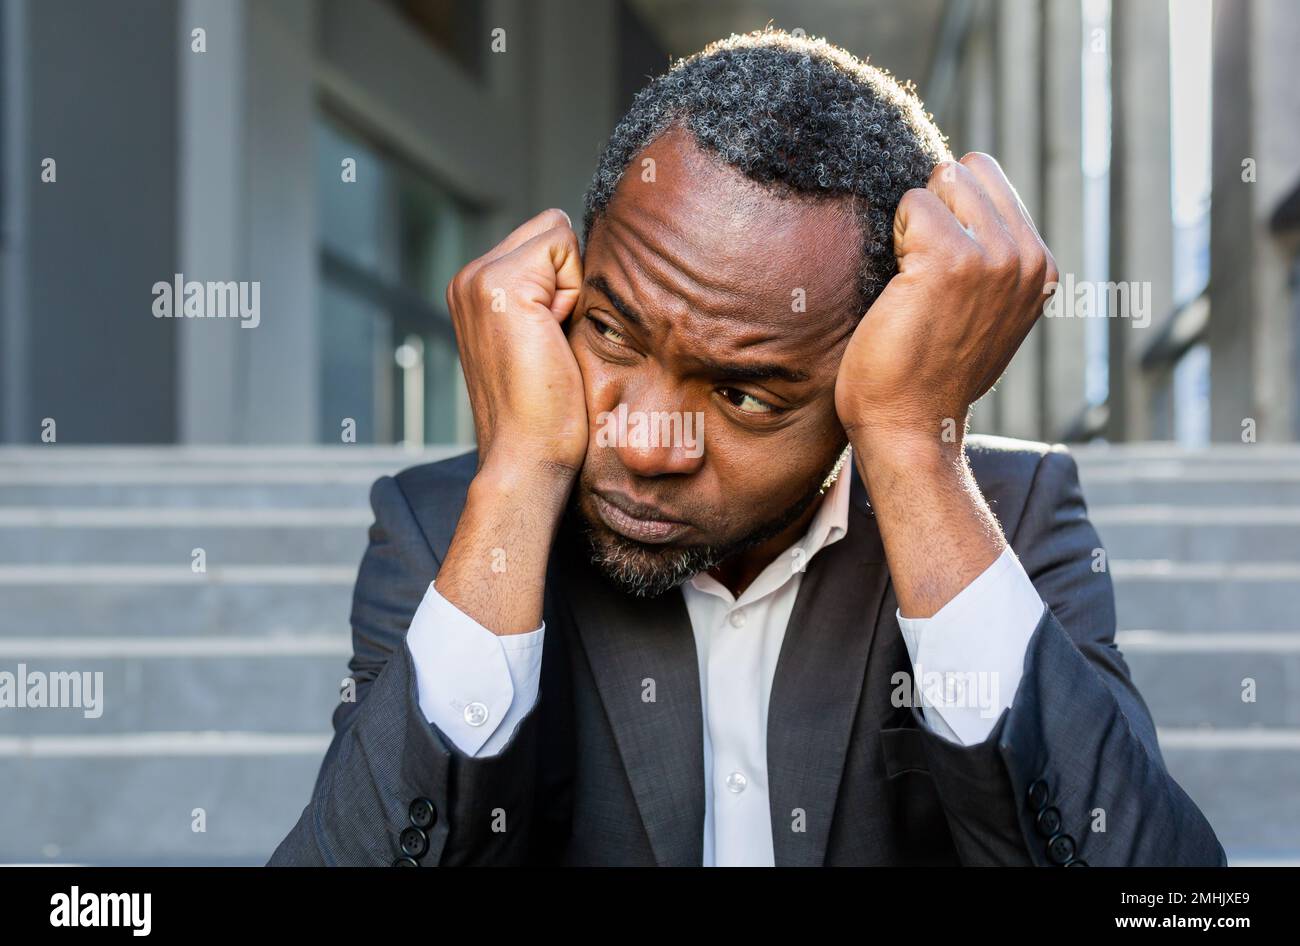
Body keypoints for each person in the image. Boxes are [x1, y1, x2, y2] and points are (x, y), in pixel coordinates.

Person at [270, 28, 1224, 866]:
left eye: (743, 392)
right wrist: (519, 478)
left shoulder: (1007, 518)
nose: (647, 442)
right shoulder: (449, 529)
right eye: (611, 333)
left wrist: (912, 451)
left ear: (876, 363)